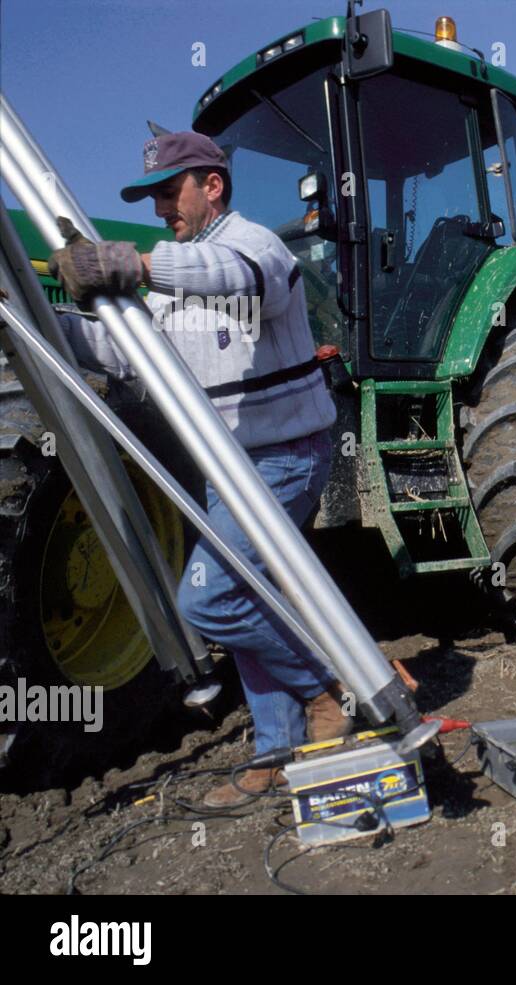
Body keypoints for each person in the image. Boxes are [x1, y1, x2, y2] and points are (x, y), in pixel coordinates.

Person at [49, 131, 351, 808]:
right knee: (245, 596)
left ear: (211, 184)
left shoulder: (256, 249)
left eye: (167, 191)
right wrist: (37, 320)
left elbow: (234, 281)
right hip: (227, 462)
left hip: (285, 456)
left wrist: (126, 263)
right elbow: (125, 351)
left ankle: (330, 686)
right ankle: (277, 752)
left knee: (210, 599)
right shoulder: (175, 271)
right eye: (153, 196)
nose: (160, 208)